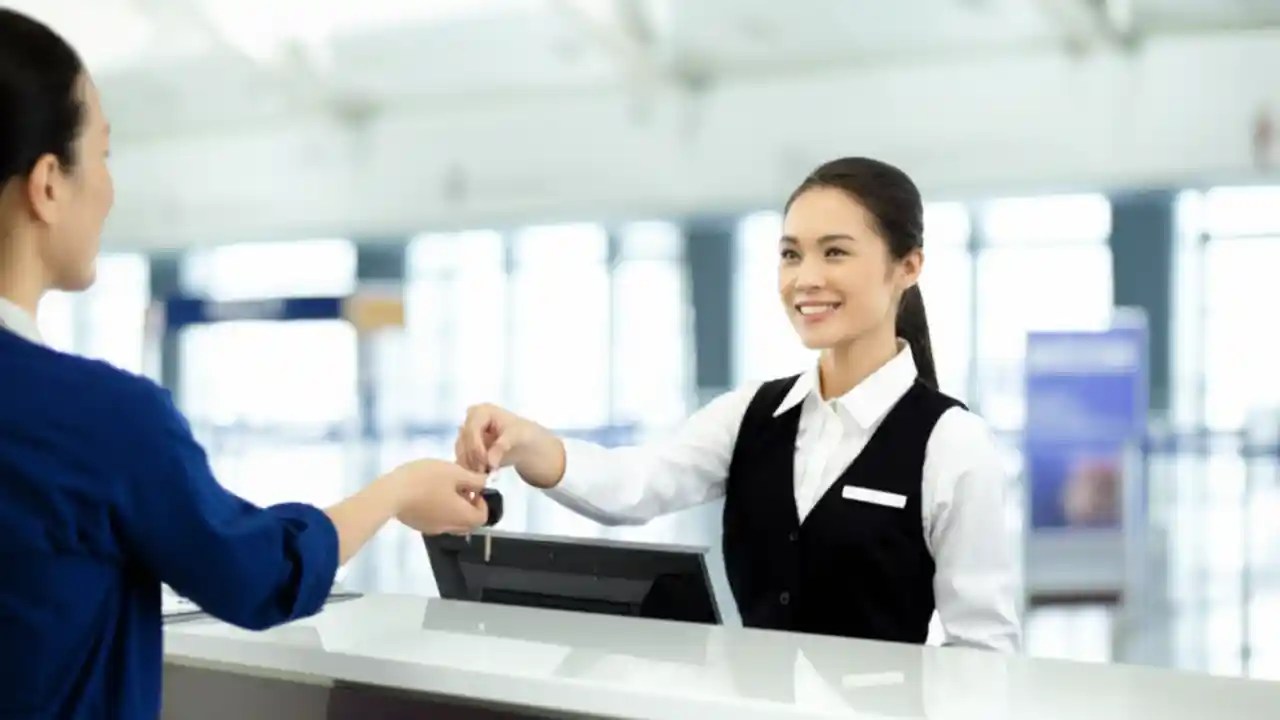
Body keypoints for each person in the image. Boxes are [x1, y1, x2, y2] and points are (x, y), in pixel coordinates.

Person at [0, 10, 491, 718]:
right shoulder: (103, 422)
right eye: (104, 156)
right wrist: (395, 493)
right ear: (48, 184)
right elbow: (258, 575)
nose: (110, 189)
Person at [456, 157, 1021, 652]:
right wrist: (528, 443)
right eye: (790, 254)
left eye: (835, 253)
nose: (806, 279)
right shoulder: (754, 415)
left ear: (908, 267)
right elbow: (638, 483)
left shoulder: (950, 442)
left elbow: (981, 650)